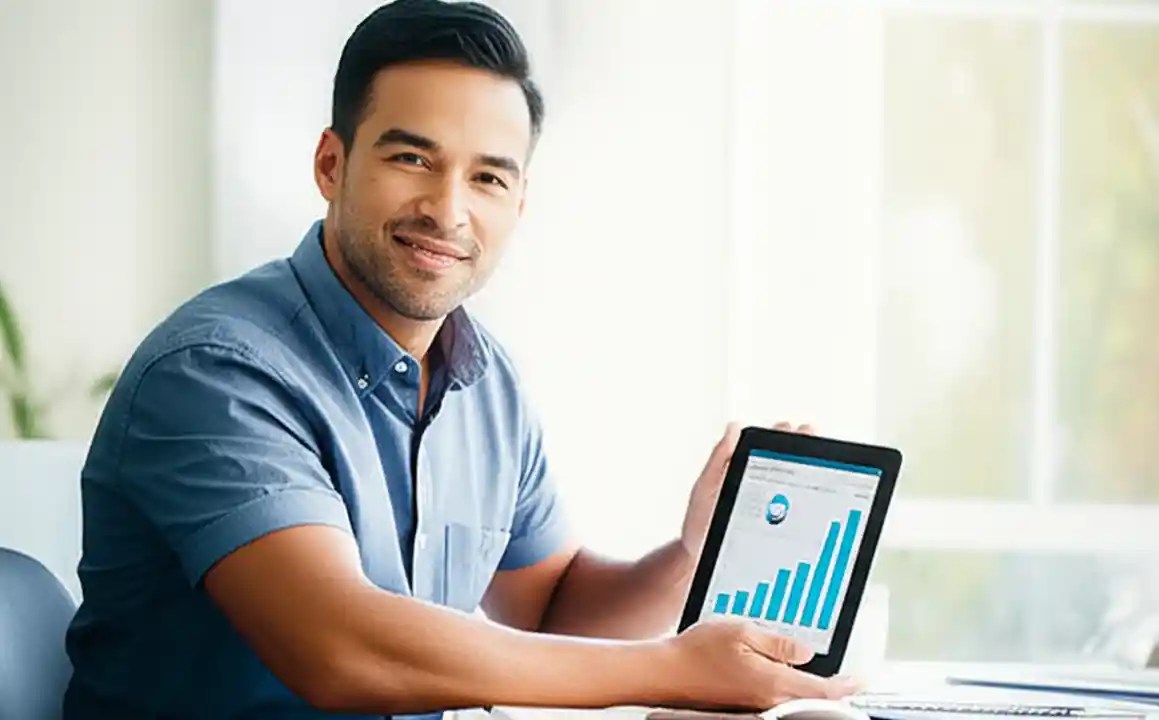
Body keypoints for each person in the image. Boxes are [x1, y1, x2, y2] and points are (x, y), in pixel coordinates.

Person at [63, 1, 858, 717]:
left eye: (486, 177)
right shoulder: (216, 372)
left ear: (519, 204)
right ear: (331, 166)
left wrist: (690, 556)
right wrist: (671, 671)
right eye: (412, 159)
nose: (447, 209)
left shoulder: (487, 383)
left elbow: (550, 610)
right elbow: (341, 650)